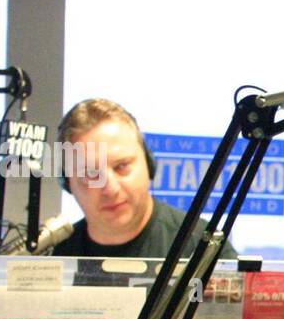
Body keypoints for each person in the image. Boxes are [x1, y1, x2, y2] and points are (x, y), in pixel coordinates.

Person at [52, 98, 237, 260]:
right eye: (91, 174)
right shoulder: (52, 259)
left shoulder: (203, 249)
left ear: (149, 164)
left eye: (121, 166)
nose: (111, 189)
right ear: (68, 183)